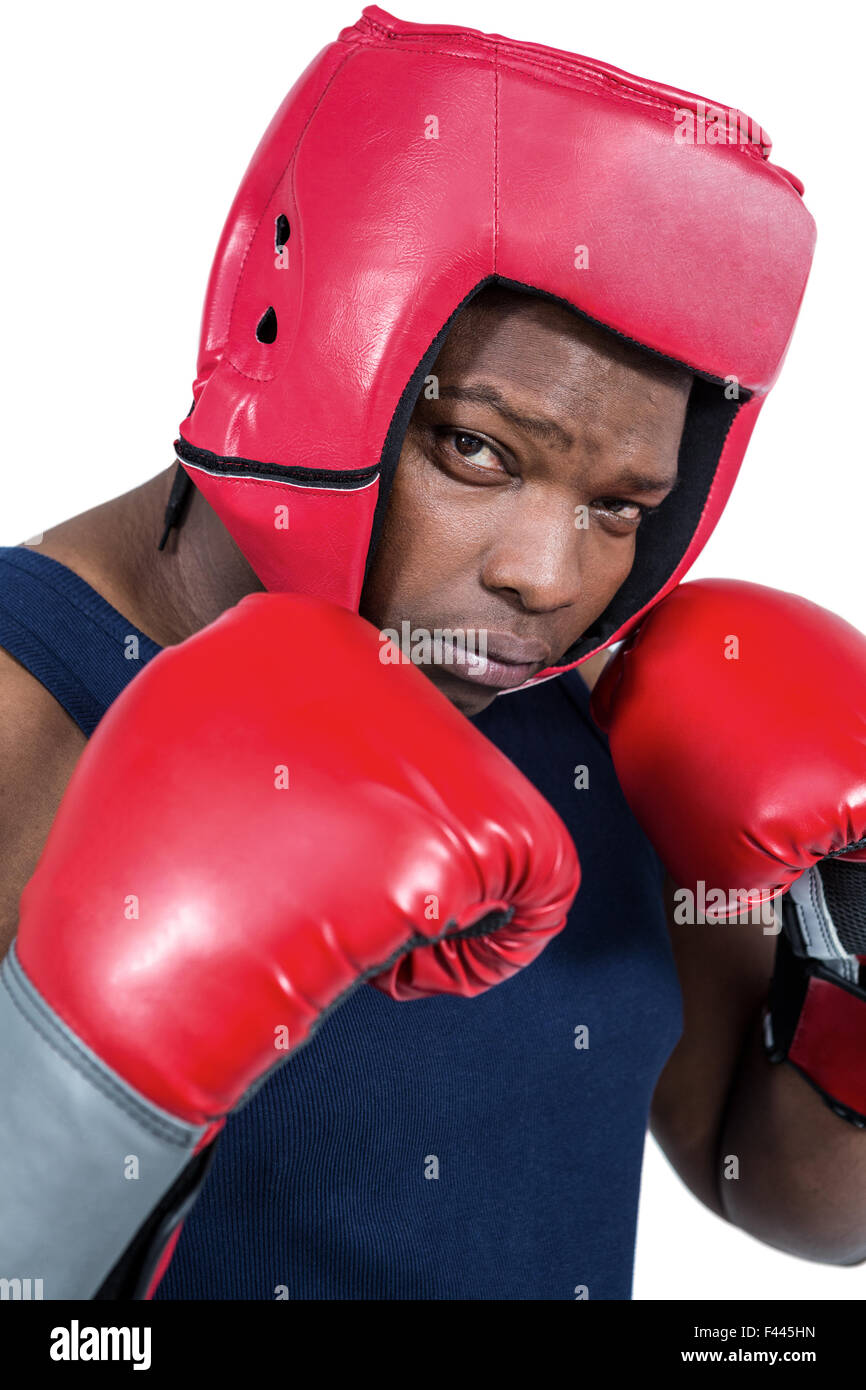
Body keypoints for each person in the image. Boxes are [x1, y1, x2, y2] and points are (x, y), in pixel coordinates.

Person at [1, 7, 863, 1302]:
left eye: (618, 505)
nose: (545, 573)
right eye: (478, 450)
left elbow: (775, 1176)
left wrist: (852, 943)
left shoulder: (585, 709)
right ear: (316, 357)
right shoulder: (30, 697)